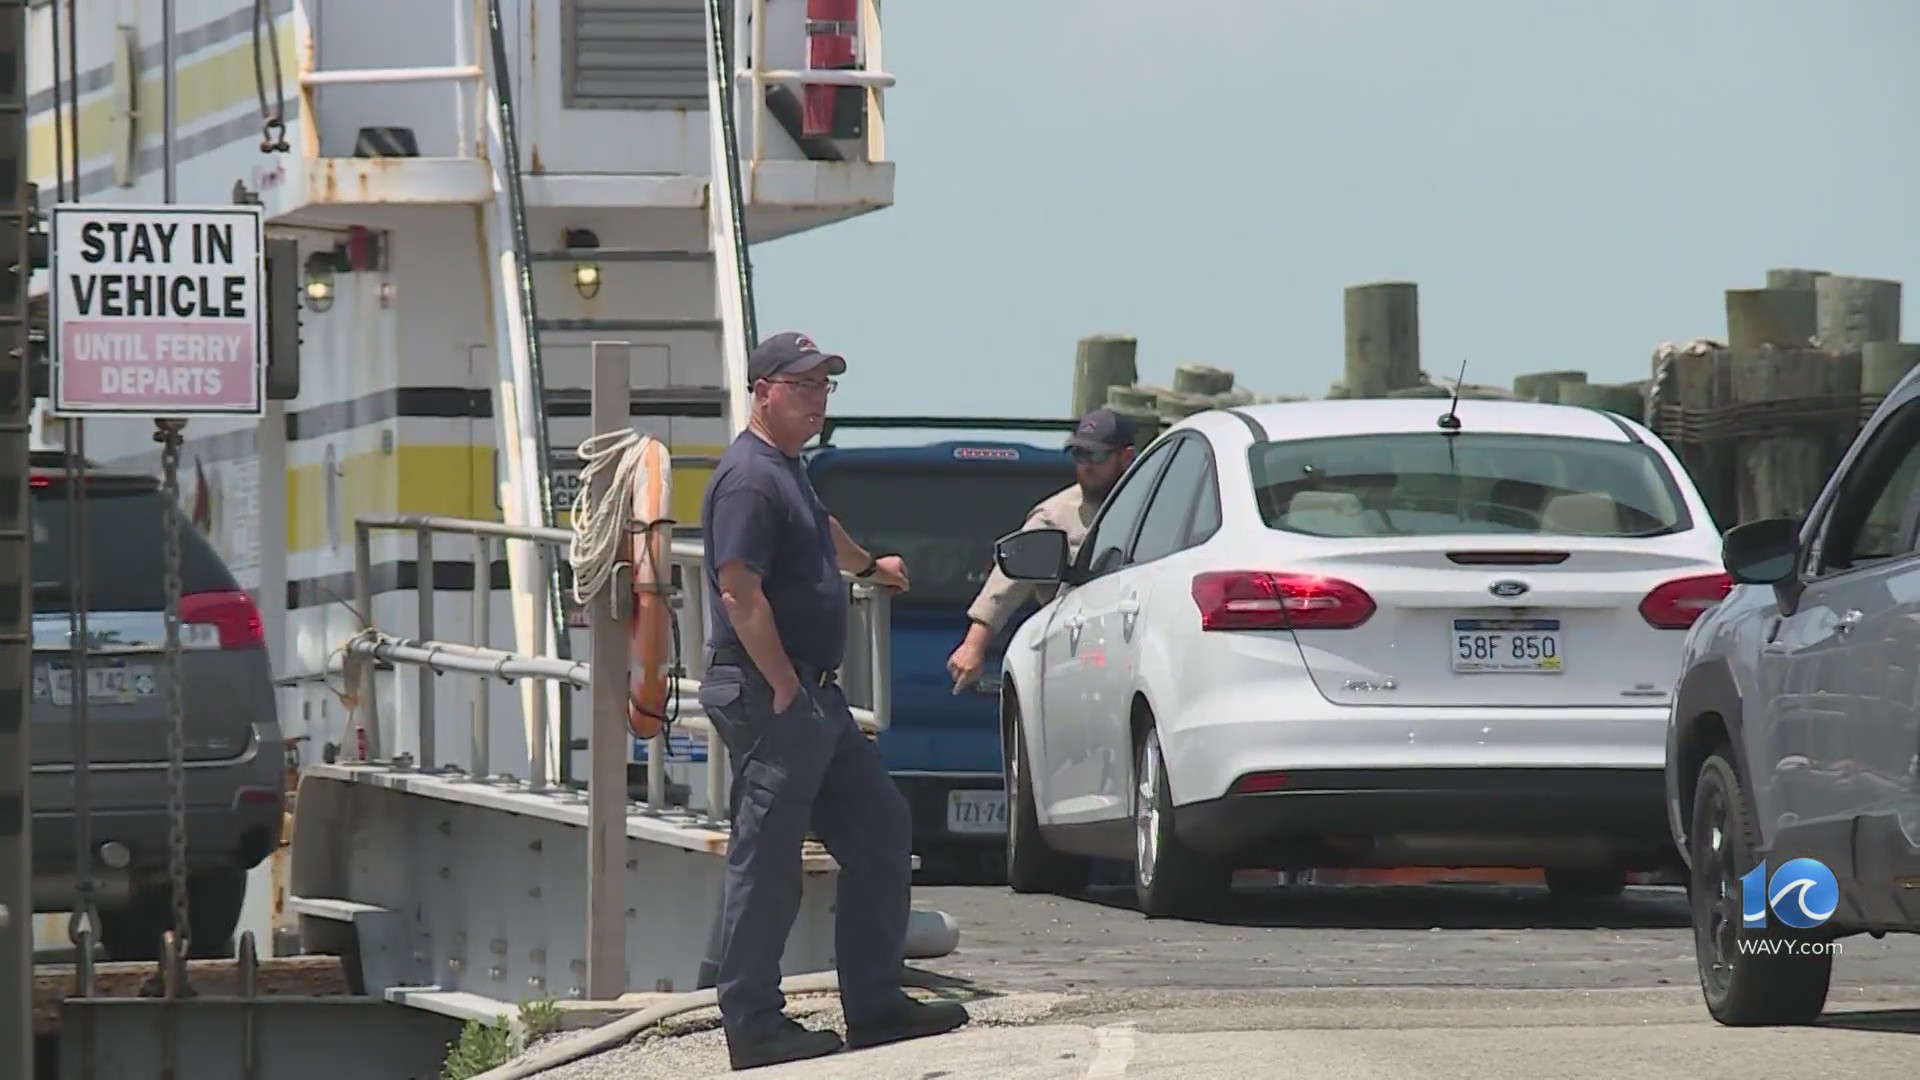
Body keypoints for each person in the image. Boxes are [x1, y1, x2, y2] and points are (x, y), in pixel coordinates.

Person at [699, 331, 972, 1070]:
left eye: (826, 387)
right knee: (769, 860)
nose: (817, 399)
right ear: (762, 391)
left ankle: (877, 1006)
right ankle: (754, 1025)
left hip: (817, 698)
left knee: (882, 831)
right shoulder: (750, 478)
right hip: (774, 693)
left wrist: (868, 564)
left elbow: (818, 529)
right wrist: (784, 683)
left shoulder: (789, 470)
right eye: (803, 385)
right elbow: (737, 587)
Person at [945, 407, 1138, 691]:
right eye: (1079, 455)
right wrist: (973, 645)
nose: (1085, 465)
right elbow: (1009, 577)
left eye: (1096, 456)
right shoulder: (1055, 515)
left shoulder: (1155, 505)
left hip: (1139, 650)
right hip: (1076, 656)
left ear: (1127, 457)